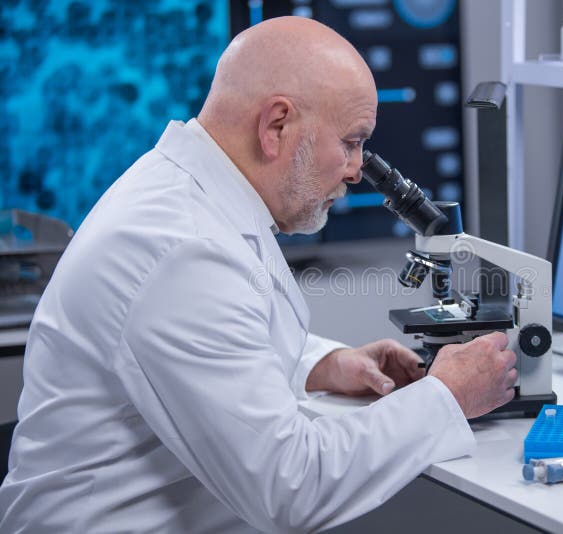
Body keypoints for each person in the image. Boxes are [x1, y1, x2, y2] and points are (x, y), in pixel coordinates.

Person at [0, 17, 518, 533]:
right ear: (276, 127)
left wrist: (323, 364)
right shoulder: (182, 248)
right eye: (352, 141)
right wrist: (447, 395)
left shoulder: (195, 197)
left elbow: (213, 346)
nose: (358, 170)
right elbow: (291, 487)